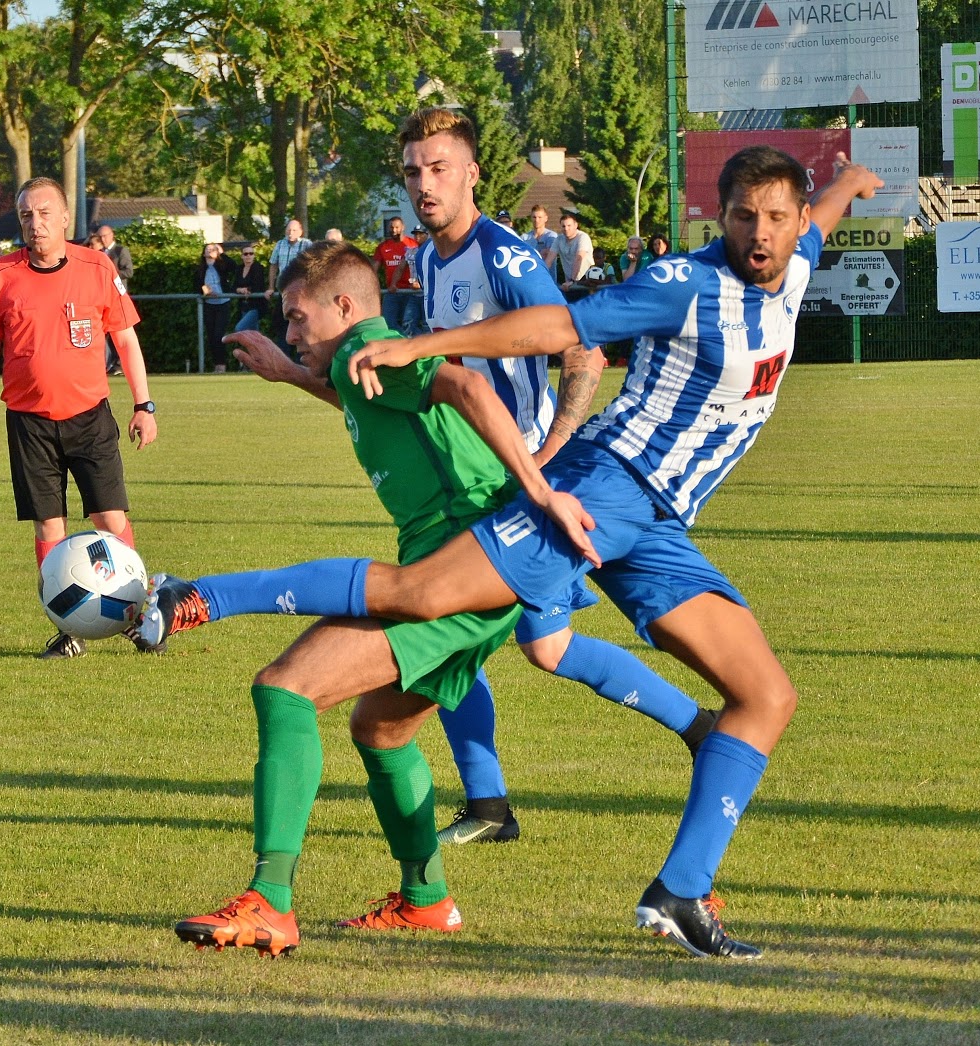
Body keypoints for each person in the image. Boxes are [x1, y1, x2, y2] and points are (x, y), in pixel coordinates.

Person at [148, 145, 883, 959]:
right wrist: (425, 346)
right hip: (606, 484)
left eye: (777, 217)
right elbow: (561, 328)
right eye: (743, 216)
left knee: (766, 696)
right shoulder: (687, 283)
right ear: (720, 215)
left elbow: (817, 220)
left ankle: (681, 889)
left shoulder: (794, 261)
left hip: (661, 520)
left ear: (796, 220)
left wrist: (849, 181)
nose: (761, 232)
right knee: (432, 608)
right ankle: (206, 600)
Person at [149, 106, 712, 850]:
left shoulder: (504, 257)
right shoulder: (429, 261)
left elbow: (581, 352)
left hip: (512, 487)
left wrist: (546, 463)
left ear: (472, 172)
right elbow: (395, 394)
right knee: (480, 641)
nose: (424, 184)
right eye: (413, 171)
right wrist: (295, 375)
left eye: (439, 168)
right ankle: (494, 800)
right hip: (471, 482)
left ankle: (690, 731)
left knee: (519, 640)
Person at [164, 242, 597, 955]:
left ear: (344, 308)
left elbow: (467, 387)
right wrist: (289, 373)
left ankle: (269, 901)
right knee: (382, 730)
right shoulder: (360, 362)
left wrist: (540, 488)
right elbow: (377, 396)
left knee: (285, 689)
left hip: (464, 566)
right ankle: (426, 900)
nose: (291, 333)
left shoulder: (362, 347)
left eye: (297, 318)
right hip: (483, 567)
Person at [0, 177, 159, 659]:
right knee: (48, 529)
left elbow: (126, 339)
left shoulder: (97, 267)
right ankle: (68, 630)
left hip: (90, 416)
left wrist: (143, 405)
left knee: (111, 520)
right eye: (26, 215)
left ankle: (137, 618)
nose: (35, 223)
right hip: (28, 422)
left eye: (44, 213)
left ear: (65, 217)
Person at [93, 225, 134, 376]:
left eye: (104, 236)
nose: (102, 239)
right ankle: (104, 364)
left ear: (112, 235)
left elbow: (128, 271)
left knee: (120, 335)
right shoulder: (97, 253)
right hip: (101, 298)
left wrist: (110, 273)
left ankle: (119, 365)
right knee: (101, 335)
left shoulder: (120, 251)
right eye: (100, 237)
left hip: (117, 297)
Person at [267, 218, 313, 353]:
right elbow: (273, 265)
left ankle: (302, 357)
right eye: (288, 230)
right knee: (281, 323)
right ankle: (284, 356)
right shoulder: (280, 244)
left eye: (294, 230)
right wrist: (271, 286)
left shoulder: (307, 245)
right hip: (283, 291)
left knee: (301, 321)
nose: (290, 233)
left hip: (300, 292)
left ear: (300, 232)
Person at [372, 216, 417, 336]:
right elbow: (374, 269)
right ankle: (403, 341)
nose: (394, 230)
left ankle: (411, 343)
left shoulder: (412, 244)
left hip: (410, 292)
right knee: (388, 323)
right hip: (392, 291)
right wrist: (372, 285)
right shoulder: (383, 247)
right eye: (391, 227)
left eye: (397, 227)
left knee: (409, 324)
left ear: (403, 227)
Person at [196, 243, 236, 372]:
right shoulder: (201, 269)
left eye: (213, 249)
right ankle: (216, 364)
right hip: (209, 304)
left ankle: (222, 365)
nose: (210, 251)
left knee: (219, 334)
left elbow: (233, 266)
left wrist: (222, 253)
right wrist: (205, 292)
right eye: (207, 249)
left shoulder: (221, 265)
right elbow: (196, 285)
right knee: (211, 336)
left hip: (223, 303)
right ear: (203, 253)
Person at [554, 210, 593, 293]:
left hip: (586, 282)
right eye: (563, 226)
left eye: (569, 225)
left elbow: (579, 258)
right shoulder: (559, 239)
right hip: (569, 283)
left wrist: (572, 280)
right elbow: (549, 260)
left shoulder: (583, 237)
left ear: (576, 225)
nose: (566, 229)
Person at [233, 244, 268, 335]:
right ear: (242, 256)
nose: (248, 256)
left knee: (240, 328)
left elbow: (258, 285)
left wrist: (247, 289)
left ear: (254, 255)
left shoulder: (258, 267)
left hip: (255, 306)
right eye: (246, 254)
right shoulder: (239, 269)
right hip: (243, 306)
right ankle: (260, 345)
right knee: (253, 334)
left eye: (251, 253)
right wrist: (240, 290)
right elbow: (233, 286)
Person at [523, 204, 559, 275]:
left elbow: (550, 254)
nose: (536, 220)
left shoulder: (551, 236)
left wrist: (530, 255)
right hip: (530, 276)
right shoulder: (524, 237)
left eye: (540, 217)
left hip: (548, 277)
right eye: (534, 217)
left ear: (546, 218)